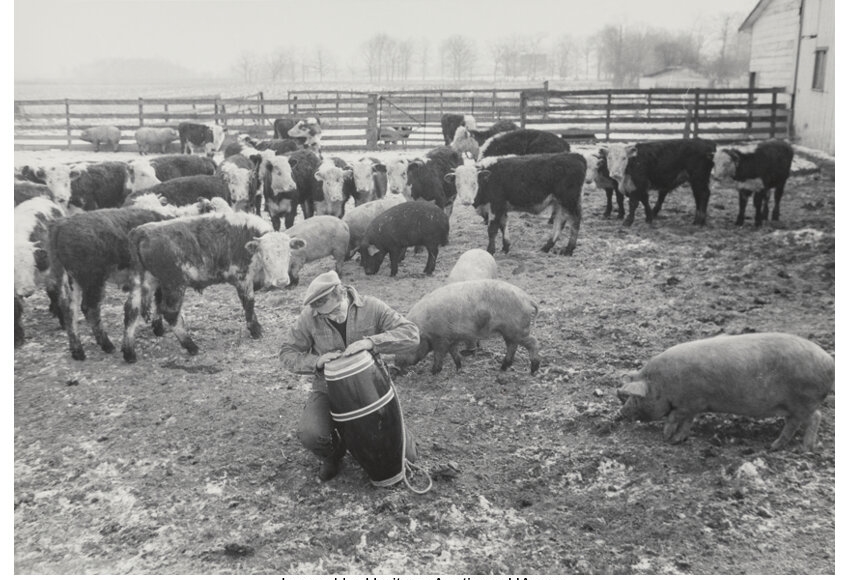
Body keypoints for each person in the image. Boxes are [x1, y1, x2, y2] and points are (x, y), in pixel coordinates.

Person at [279, 270, 421, 481]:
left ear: (343, 293)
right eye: (326, 315)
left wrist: (372, 342)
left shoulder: (372, 306)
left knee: (408, 456)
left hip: (372, 388)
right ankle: (334, 454)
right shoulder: (309, 317)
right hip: (327, 388)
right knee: (311, 434)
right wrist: (316, 362)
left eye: (336, 310)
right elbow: (286, 353)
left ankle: (385, 433)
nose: (333, 317)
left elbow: (411, 334)